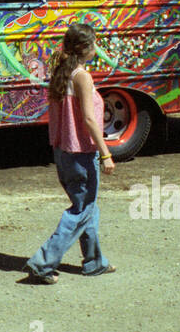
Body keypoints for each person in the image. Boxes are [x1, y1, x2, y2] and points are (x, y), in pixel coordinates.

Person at [25, 23, 116, 284]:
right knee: (81, 210)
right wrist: (105, 153)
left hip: (63, 151)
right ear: (85, 48)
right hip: (81, 152)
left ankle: (94, 262)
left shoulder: (61, 73)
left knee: (88, 207)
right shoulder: (82, 77)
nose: (97, 48)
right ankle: (43, 263)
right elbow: (89, 118)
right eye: (95, 43)